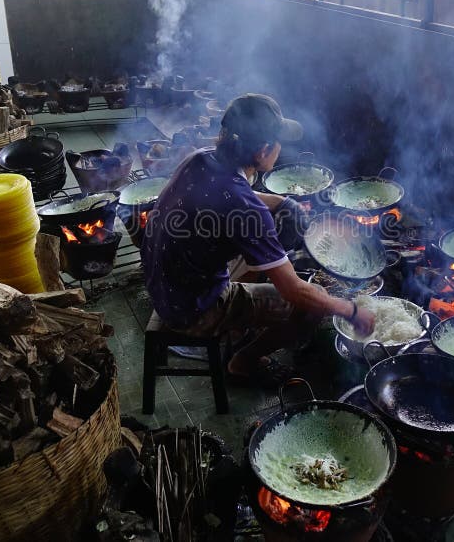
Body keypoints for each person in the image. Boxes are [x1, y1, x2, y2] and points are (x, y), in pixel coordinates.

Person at [141, 93, 376, 385]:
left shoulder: (199, 159)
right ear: (264, 151)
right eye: (278, 142)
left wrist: (281, 202)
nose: (280, 148)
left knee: (265, 257)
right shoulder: (245, 208)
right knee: (309, 308)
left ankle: (244, 323)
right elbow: (293, 291)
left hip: (162, 282)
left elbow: (232, 194)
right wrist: (351, 310)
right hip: (192, 308)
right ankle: (243, 362)